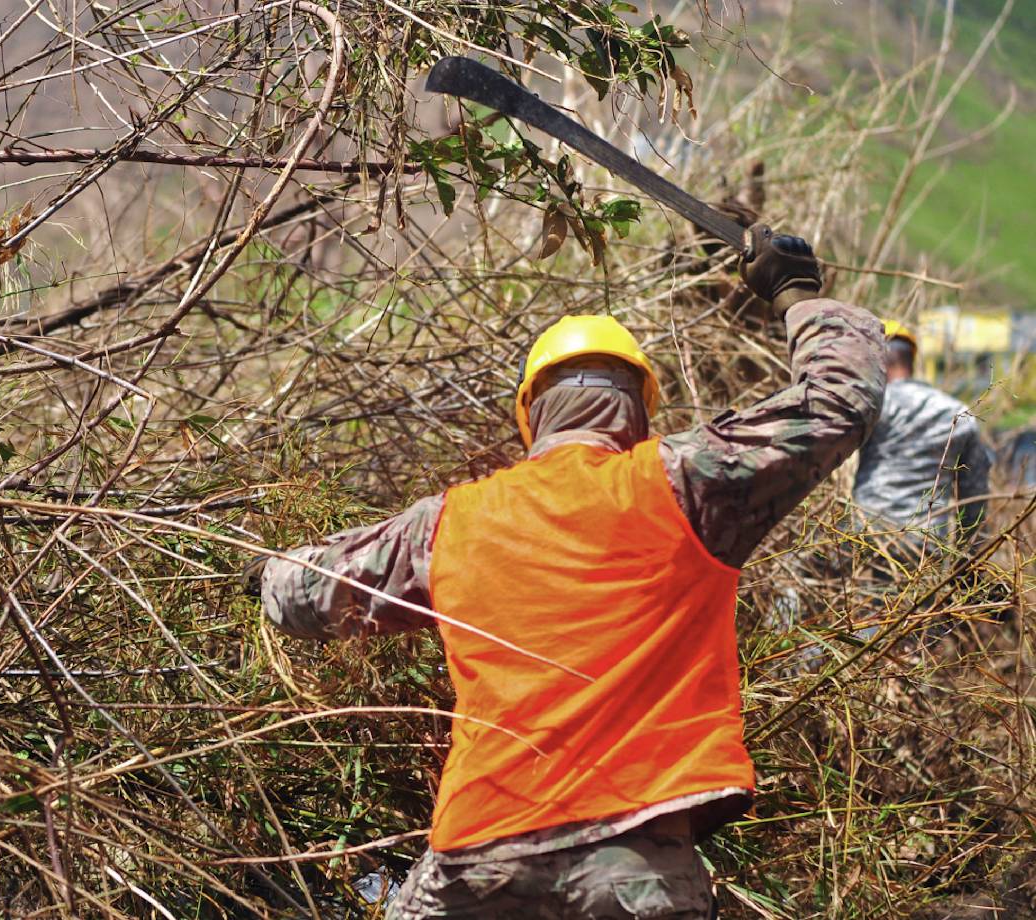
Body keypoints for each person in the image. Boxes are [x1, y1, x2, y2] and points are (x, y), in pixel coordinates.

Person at [246, 224, 885, 919]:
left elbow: (304, 592)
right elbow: (838, 400)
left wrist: (259, 568)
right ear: (642, 409)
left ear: (530, 414)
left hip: (478, 861)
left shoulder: (448, 523)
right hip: (635, 866)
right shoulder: (686, 484)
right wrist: (795, 291)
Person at [851, 321, 992, 564]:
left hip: (867, 537)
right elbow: (974, 495)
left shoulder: (872, 406)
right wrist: (966, 562)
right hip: (924, 543)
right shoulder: (958, 414)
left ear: (878, 362)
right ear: (911, 361)